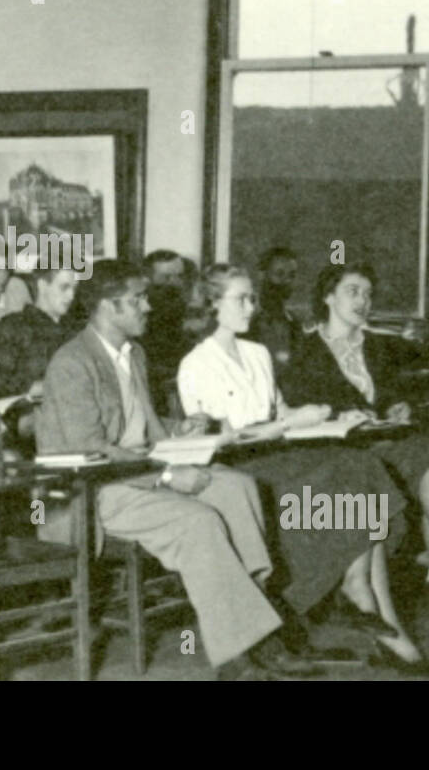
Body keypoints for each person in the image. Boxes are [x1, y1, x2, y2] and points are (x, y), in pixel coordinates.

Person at [36, 259, 319, 680]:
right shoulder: (73, 362)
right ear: (108, 307)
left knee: (239, 488)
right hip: (93, 492)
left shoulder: (134, 354)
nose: (147, 307)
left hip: (136, 474)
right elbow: (89, 451)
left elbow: (141, 427)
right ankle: (238, 657)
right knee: (199, 522)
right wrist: (166, 476)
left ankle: (257, 622)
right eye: (137, 300)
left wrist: (180, 428)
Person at [177, 264, 425, 670]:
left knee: (362, 465)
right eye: (241, 298)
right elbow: (221, 440)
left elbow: (281, 409)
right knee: (351, 475)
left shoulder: (256, 353)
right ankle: (353, 590)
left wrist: (331, 420)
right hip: (239, 467)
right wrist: (291, 423)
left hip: (279, 453)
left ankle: (358, 584)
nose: (252, 306)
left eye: (252, 297)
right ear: (212, 305)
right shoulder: (196, 364)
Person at [282, 262, 429, 558]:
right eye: (353, 292)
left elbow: (390, 394)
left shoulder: (379, 346)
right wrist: (339, 416)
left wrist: (398, 407)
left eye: (368, 294)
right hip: (336, 452)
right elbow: (294, 409)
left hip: (381, 443)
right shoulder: (302, 350)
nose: (362, 301)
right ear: (328, 297)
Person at [0, 268, 78, 398]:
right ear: (42, 286)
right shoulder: (12, 327)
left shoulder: (73, 333)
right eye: (64, 287)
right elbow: (0, 385)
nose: (71, 296)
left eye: (74, 288)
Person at [140, 249, 194, 417]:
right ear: (147, 279)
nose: (175, 283)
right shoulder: (140, 315)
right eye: (166, 277)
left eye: (179, 276)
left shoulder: (183, 306)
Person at [244, 246, 303, 374]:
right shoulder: (246, 319)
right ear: (262, 275)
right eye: (279, 274)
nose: (286, 281)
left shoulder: (294, 323)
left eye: (292, 275)